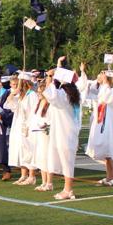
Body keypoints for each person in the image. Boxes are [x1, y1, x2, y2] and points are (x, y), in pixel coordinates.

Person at [42, 65, 82, 200]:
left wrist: (50, 77)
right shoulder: (71, 94)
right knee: (65, 161)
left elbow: (50, 94)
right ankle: (67, 189)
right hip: (65, 131)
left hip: (65, 132)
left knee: (67, 161)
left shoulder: (63, 95)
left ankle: (68, 190)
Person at [83, 68, 113, 187]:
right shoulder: (108, 89)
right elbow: (96, 94)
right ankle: (109, 176)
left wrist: (105, 83)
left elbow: (105, 98)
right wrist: (101, 82)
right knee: (107, 153)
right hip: (106, 125)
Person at [5, 73, 39, 186]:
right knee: (20, 150)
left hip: (28, 126)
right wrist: (14, 93)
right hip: (18, 125)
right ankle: (23, 175)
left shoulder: (32, 95)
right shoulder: (20, 95)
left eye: (20, 83)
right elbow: (9, 105)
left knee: (29, 151)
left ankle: (32, 176)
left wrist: (29, 125)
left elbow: (34, 112)